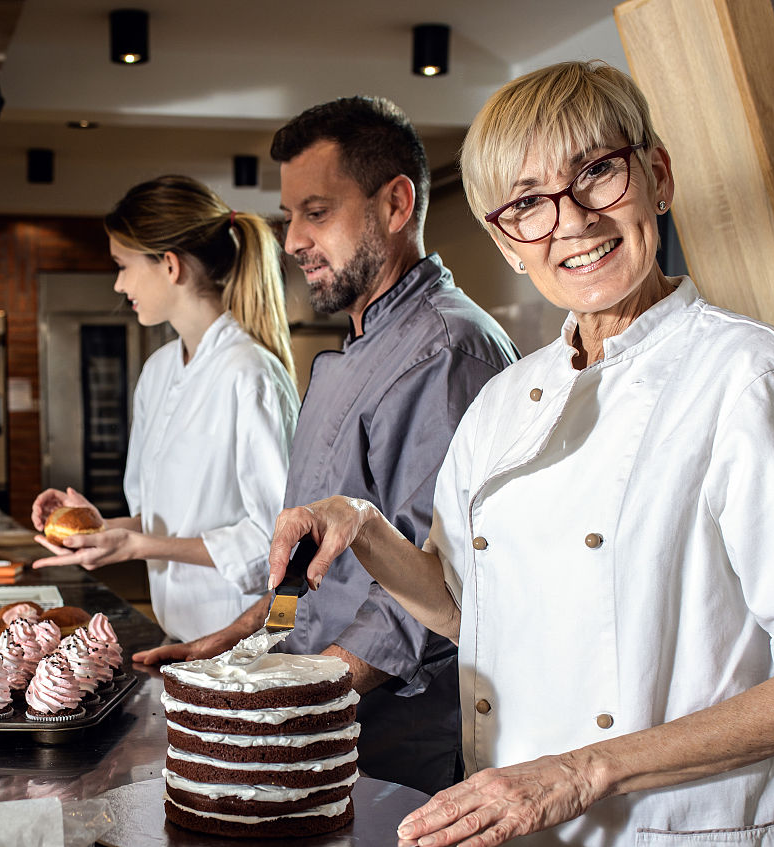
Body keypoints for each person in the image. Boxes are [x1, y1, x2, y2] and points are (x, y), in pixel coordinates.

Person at [265, 62, 774, 847]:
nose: (571, 222)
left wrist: (579, 771)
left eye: (598, 173)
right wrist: (365, 524)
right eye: (528, 205)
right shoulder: (504, 403)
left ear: (657, 177)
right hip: (517, 826)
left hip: (677, 829)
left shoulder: (755, 378)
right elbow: (466, 609)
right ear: (508, 243)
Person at [134, 96, 519, 795]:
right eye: (289, 219)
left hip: (388, 746)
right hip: (318, 727)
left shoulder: (447, 352)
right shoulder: (364, 345)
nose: (291, 241)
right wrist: (233, 641)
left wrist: (286, 699)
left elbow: (437, 595)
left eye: (316, 212)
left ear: (396, 204)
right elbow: (311, 575)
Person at [30, 175, 299, 644]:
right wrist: (97, 529)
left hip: (243, 645)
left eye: (123, 266)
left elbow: (277, 542)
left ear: (169, 265)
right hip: (178, 634)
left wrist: (137, 545)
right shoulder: (158, 371)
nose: (118, 283)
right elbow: (169, 519)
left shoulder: (249, 373)